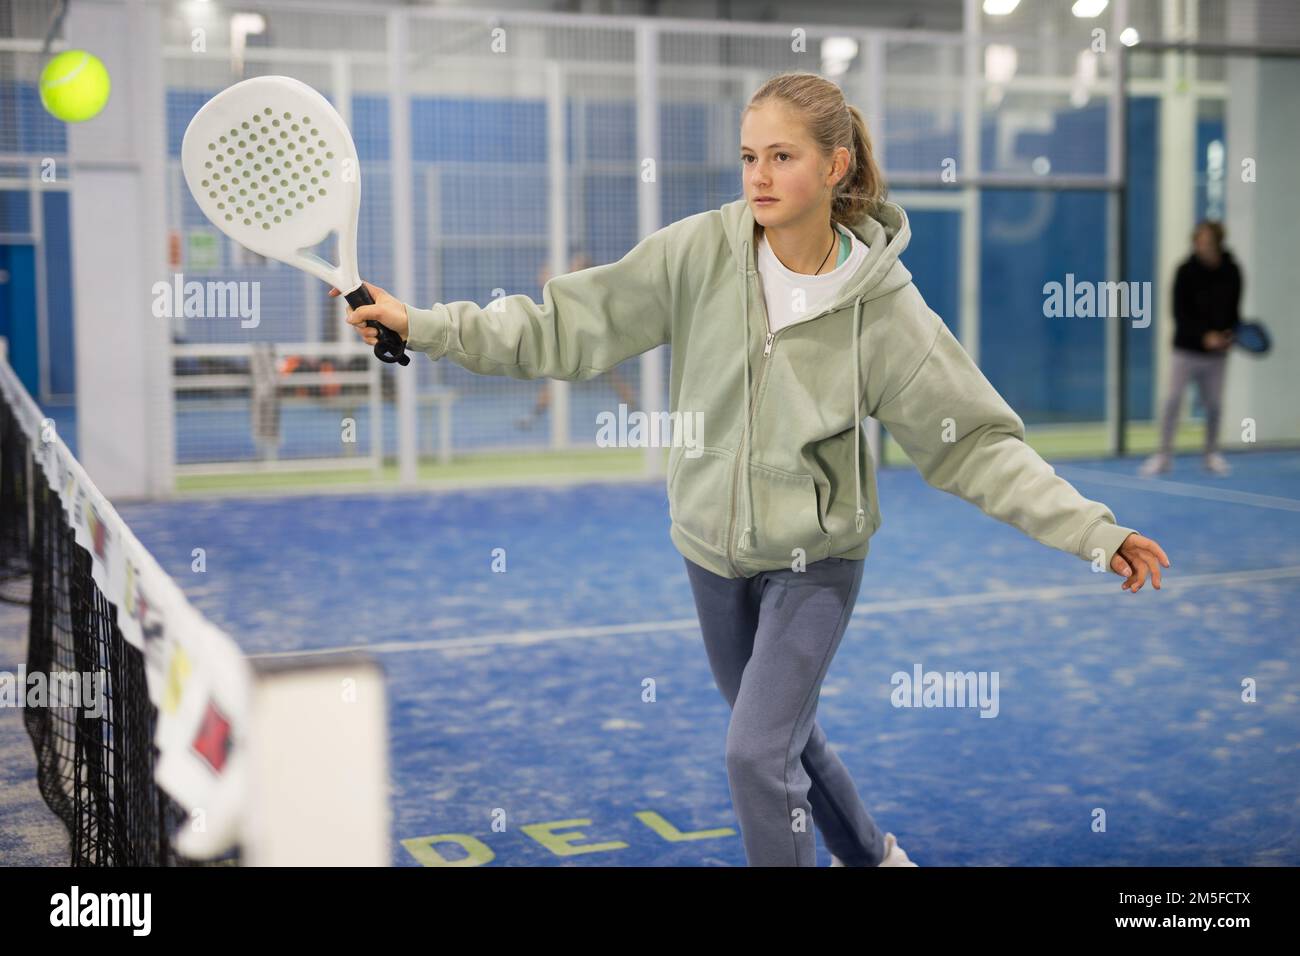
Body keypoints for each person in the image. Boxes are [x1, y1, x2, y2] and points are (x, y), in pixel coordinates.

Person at [331, 71, 1171, 867]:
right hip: (709, 553)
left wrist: (1095, 531)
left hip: (816, 564)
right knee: (788, 740)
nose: (758, 177)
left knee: (755, 755)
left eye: (781, 156)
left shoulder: (885, 311)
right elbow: (563, 325)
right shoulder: (700, 253)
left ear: (834, 165)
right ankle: (875, 856)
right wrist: (427, 324)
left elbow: (973, 445)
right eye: (748, 157)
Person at [1139, 220, 1241, 478]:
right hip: (1185, 350)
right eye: (1198, 240)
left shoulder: (1232, 271)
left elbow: (1233, 309)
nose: (1201, 245)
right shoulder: (1185, 271)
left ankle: (1211, 455)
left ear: (1217, 242)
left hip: (1217, 355)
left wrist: (1227, 333)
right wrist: (1203, 335)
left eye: (1206, 240)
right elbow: (1179, 312)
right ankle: (1163, 457)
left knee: (1214, 406)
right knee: (1172, 402)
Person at [515, 252, 640, 430]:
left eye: (576, 264)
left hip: (592, 342)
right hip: (581, 343)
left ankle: (637, 410)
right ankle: (533, 415)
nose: (572, 265)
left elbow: (546, 280)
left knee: (612, 379)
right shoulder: (569, 286)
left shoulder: (586, 288)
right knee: (558, 380)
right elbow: (544, 279)